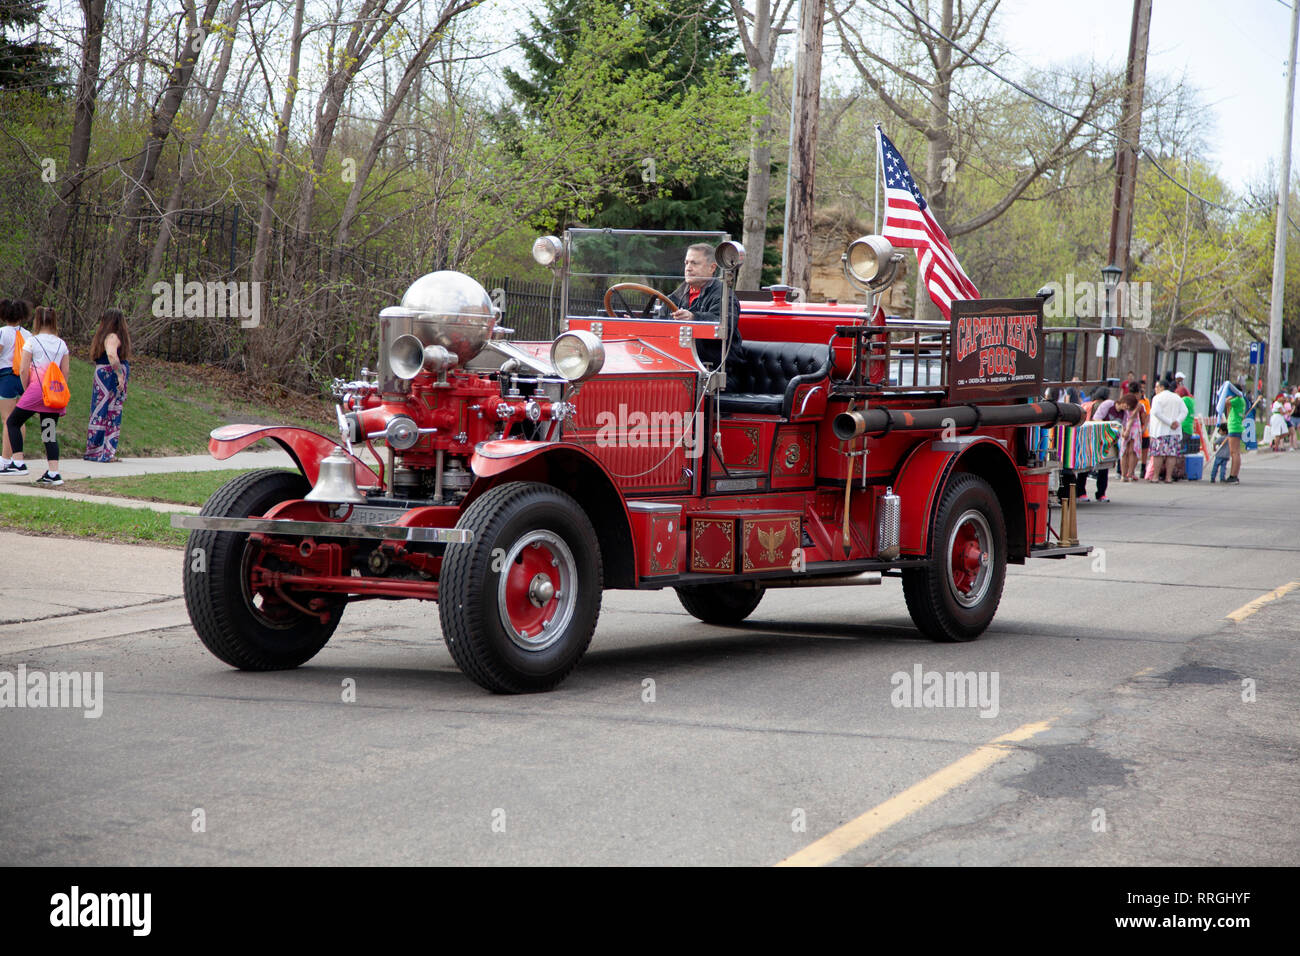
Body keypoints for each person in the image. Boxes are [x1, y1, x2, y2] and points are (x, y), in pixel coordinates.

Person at [6, 305, 70, 485]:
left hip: (36, 389)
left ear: (37, 320)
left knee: (13, 422)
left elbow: (23, 368)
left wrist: (26, 388)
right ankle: (53, 472)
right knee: (49, 432)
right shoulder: (61, 344)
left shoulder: (32, 342)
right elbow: (65, 373)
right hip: (53, 392)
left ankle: (18, 461)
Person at [668, 243, 742, 346]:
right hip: (677, 355)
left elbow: (725, 325)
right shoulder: (676, 295)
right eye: (686, 263)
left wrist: (694, 317)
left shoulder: (724, 295)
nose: (688, 268)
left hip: (714, 358)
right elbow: (659, 322)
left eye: (694, 263)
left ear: (712, 268)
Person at [84, 309, 131, 462]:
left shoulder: (104, 336)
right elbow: (111, 354)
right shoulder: (113, 336)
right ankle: (104, 452)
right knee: (110, 413)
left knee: (100, 411)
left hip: (103, 374)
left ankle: (95, 450)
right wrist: (119, 374)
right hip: (110, 377)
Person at [0, 298, 32, 472]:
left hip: (6, 377)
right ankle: (16, 456)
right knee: (19, 421)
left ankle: (4, 460)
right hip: (22, 378)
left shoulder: (2, 333)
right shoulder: (27, 335)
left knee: (7, 419)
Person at [1076, 386, 1120, 502]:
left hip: (1086, 437)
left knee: (1084, 466)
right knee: (1103, 467)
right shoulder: (1103, 406)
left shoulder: (1088, 404)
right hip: (1101, 439)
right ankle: (1101, 494)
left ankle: (1081, 493)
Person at [1147, 378, 1187, 483]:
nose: (1155, 389)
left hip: (1160, 431)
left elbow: (1156, 412)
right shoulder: (1177, 397)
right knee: (1171, 454)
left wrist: (1170, 422)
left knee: (1158, 454)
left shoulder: (1157, 398)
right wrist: (1177, 422)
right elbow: (1184, 411)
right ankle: (1168, 477)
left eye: (1156, 387)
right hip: (1175, 431)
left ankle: (1155, 477)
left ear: (1161, 387)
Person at [1216, 379, 1246, 483]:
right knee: (1235, 452)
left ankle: (1233, 475)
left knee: (1234, 452)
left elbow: (1225, 402)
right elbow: (1228, 407)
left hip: (1234, 426)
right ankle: (1234, 475)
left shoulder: (1238, 399)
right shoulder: (1241, 400)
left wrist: (1227, 395)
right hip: (1236, 426)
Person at [1116, 384, 1147, 481]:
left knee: (1130, 451)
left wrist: (1128, 429)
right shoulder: (1126, 402)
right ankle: (1125, 474)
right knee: (1126, 451)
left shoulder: (1138, 405)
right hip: (1126, 427)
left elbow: (1134, 417)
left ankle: (1128, 473)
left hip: (1132, 428)